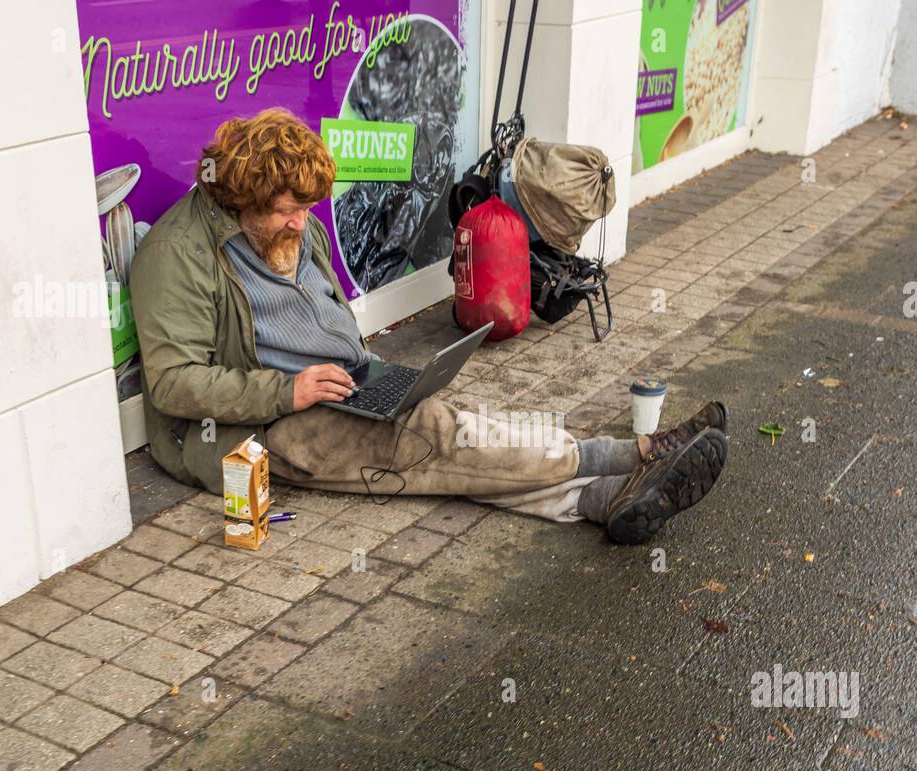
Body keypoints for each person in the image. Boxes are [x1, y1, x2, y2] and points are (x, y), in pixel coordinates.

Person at [130, 108, 727, 544]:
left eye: (305, 209)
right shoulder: (177, 253)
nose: (299, 225)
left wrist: (359, 373)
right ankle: (629, 457)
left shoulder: (295, 226)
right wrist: (289, 390)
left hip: (344, 382)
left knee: (453, 435)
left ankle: (605, 499)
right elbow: (174, 383)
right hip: (262, 423)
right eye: (285, 212)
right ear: (240, 199)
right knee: (437, 443)